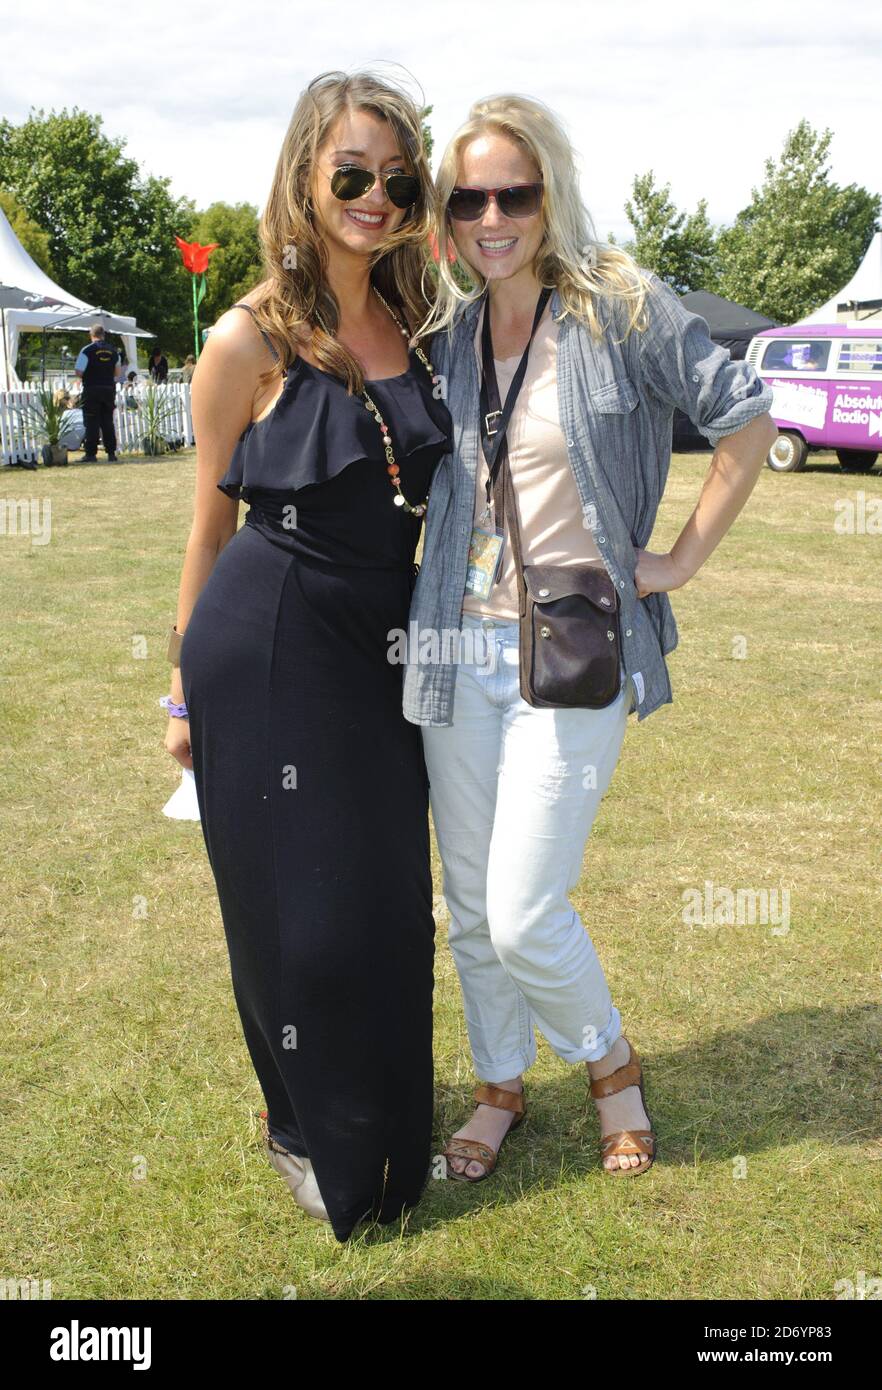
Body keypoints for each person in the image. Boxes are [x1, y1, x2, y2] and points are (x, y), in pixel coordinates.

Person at [404, 95, 777, 1182]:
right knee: (470, 904)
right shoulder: (452, 324)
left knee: (523, 909)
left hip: (571, 647)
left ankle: (608, 1059)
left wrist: (677, 561)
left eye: (512, 192)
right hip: (452, 646)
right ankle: (498, 1082)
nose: (491, 216)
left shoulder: (620, 306)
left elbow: (743, 419)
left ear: (549, 192)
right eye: (466, 197)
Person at [162, 70, 451, 1242]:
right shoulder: (245, 338)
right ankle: (302, 1127)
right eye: (351, 174)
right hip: (271, 643)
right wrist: (181, 687)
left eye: (398, 177)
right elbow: (206, 526)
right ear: (303, 175)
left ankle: (389, 1123)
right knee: (302, 916)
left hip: (384, 653)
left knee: (387, 905)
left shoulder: (421, 317)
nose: (374, 197)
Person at [74, 324, 121, 462]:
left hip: (91, 388)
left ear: (91, 335)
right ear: (103, 335)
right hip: (108, 389)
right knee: (107, 421)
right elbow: (117, 373)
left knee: (91, 421)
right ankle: (111, 453)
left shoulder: (86, 350)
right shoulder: (114, 351)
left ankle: (91, 454)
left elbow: (78, 371)